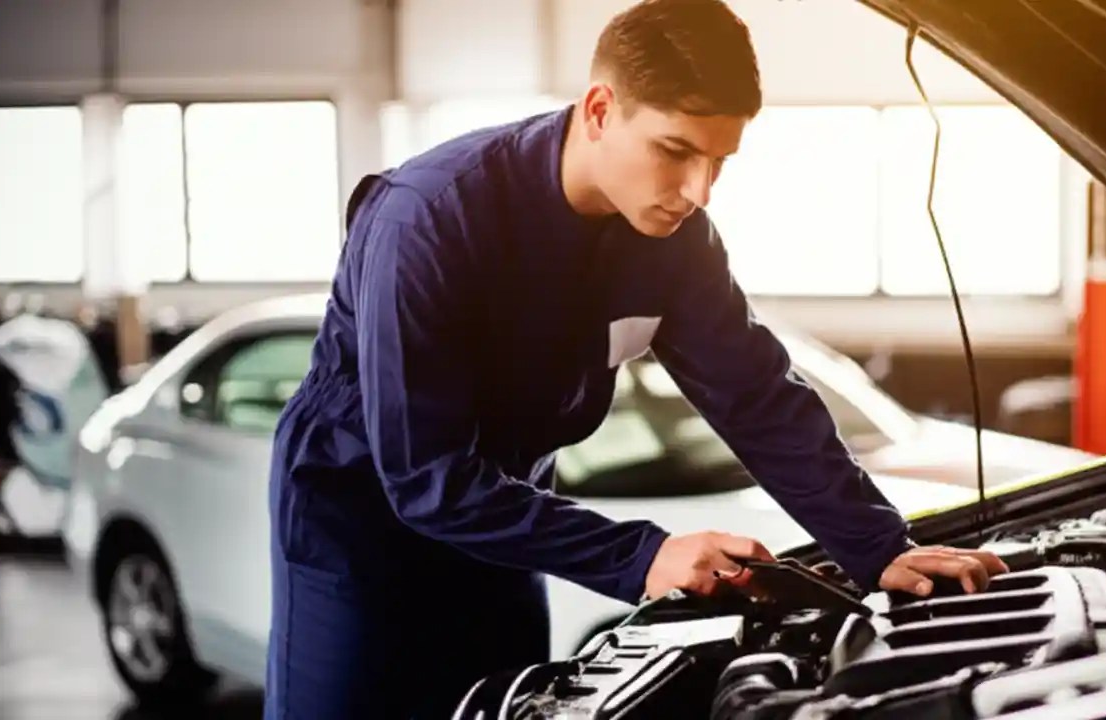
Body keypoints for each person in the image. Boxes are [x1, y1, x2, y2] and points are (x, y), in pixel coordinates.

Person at [264, 1, 1007, 717]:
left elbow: (755, 396)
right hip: (358, 519)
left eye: (719, 160)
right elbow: (425, 478)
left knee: (505, 708)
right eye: (675, 150)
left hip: (503, 509)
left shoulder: (676, 241)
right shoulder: (426, 218)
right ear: (598, 110)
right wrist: (642, 556)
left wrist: (878, 548)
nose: (697, 190)